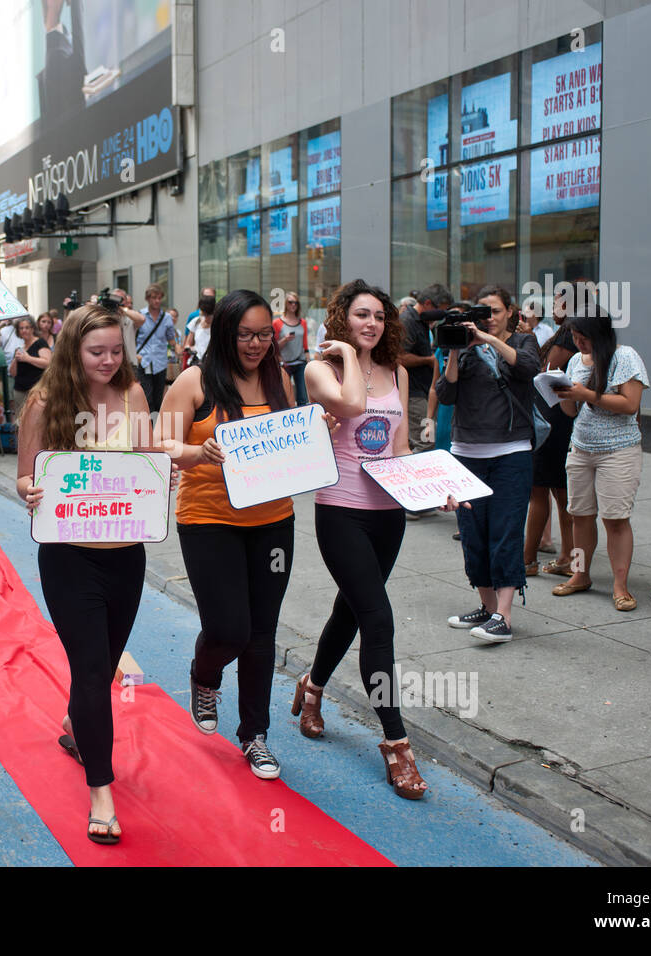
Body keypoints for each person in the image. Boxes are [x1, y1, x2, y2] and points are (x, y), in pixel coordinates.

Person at [16, 303, 154, 844]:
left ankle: (77, 728)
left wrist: (158, 480)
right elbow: (26, 479)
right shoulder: (44, 402)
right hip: (70, 557)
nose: (108, 360)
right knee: (94, 670)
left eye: (116, 350)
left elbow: (146, 460)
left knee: (97, 668)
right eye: (97, 351)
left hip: (128, 555)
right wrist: (30, 491)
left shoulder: (135, 395)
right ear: (73, 350)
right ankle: (102, 791)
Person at [297, 279, 433, 800]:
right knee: (378, 619)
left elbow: (397, 448)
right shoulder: (319, 369)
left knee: (351, 613)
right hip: (341, 512)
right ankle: (397, 744)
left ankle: (311, 689)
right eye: (361, 315)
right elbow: (352, 408)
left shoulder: (397, 371)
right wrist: (350, 356)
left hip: (387, 515)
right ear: (342, 320)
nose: (371, 324)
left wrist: (432, 486)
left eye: (378, 316)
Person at [158, 289, 295, 779]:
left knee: (262, 632)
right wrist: (197, 453)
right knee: (230, 629)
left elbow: (290, 441)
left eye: (264, 334)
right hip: (208, 520)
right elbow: (162, 441)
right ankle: (204, 673)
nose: (255, 344)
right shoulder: (195, 381)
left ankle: (255, 735)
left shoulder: (279, 379)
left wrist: (314, 430)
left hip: (274, 520)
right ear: (225, 333)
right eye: (245, 335)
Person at [436, 284, 541, 643]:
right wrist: (454, 352)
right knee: (473, 536)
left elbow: (526, 368)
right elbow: (446, 393)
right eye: (481, 312)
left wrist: (488, 340)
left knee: (506, 533)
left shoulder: (524, 342)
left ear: (510, 312)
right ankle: (486, 605)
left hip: (511, 453)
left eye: (495, 311)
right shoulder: (464, 349)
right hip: (467, 453)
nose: (488, 318)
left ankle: (504, 615)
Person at [550, 311, 649, 611]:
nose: (578, 342)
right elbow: (570, 412)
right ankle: (580, 573)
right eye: (574, 337)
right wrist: (564, 394)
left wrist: (587, 394)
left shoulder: (625, 356)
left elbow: (630, 405)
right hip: (581, 448)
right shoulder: (576, 361)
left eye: (583, 337)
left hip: (618, 450)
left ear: (600, 334)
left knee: (615, 519)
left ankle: (620, 585)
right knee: (579, 515)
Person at [523, 320, 578, 577]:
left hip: (554, 418)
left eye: (559, 299)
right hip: (554, 417)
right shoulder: (564, 333)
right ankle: (558, 557)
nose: (554, 305)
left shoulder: (569, 334)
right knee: (554, 492)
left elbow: (546, 370)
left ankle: (532, 558)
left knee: (551, 491)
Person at [400, 283, 452, 456]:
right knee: (424, 442)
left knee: (427, 439)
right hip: (414, 394)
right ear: (428, 303)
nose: (440, 316)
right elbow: (399, 358)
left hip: (423, 391)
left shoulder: (422, 322)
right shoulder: (407, 321)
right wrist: (429, 360)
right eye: (440, 311)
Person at [131, 283, 177, 413]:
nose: (157, 301)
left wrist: (178, 348)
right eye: (153, 297)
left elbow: (171, 339)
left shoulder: (167, 318)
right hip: (144, 361)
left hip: (160, 363)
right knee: (147, 397)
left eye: (159, 297)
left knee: (158, 399)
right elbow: (131, 337)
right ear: (147, 298)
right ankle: (147, 427)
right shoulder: (140, 316)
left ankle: (156, 427)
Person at [8, 315, 51, 420]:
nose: (24, 331)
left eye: (27, 328)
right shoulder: (20, 348)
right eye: (21, 328)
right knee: (20, 422)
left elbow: (48, 363)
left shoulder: (40, 343)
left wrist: (28, 358)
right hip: (19, 391)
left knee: (37, 421)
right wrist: (16, 359)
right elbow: (13, 373)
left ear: (32, 329)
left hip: (37, 391)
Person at [273, 292, 310, 405]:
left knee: (303, 397)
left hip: (300, 362)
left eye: (296, 302)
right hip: (285, 363)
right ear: (285, 304)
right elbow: (274, 347)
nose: (293, 305)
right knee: (283, 396)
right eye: (290, 302)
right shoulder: (277, 323)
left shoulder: (302, 322)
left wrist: (309, 362)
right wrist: (285, 339)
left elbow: (305, 344)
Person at [183, 293, 215, 366]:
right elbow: (188, 344)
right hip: (197, 362)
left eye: (209, 315)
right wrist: (191, 349)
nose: (206, 318)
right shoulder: (196, 322)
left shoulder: (218, 325)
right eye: (204, 315)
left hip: (212, 364)